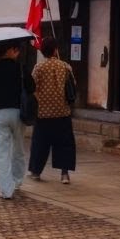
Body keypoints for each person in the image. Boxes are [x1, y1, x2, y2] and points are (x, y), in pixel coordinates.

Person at [0, 42, 31, 200]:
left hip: (0, 112)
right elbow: (31, 87)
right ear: (10, 51)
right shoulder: (21, 69)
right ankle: (17, 181)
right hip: (18, 112)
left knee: (1, 151)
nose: (17, 52)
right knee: (18, 147)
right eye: (16, 49)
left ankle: (6, 189)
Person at [28, 38, 76, 184]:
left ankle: (36, 172)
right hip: (62, 111)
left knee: (40, 143)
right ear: (55, 50)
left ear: (43, 51)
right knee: (64, 143)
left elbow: (32, 87)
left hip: (43, 112)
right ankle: (64, 174)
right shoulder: (65, 66)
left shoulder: (39, 67)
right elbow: (73, 85)